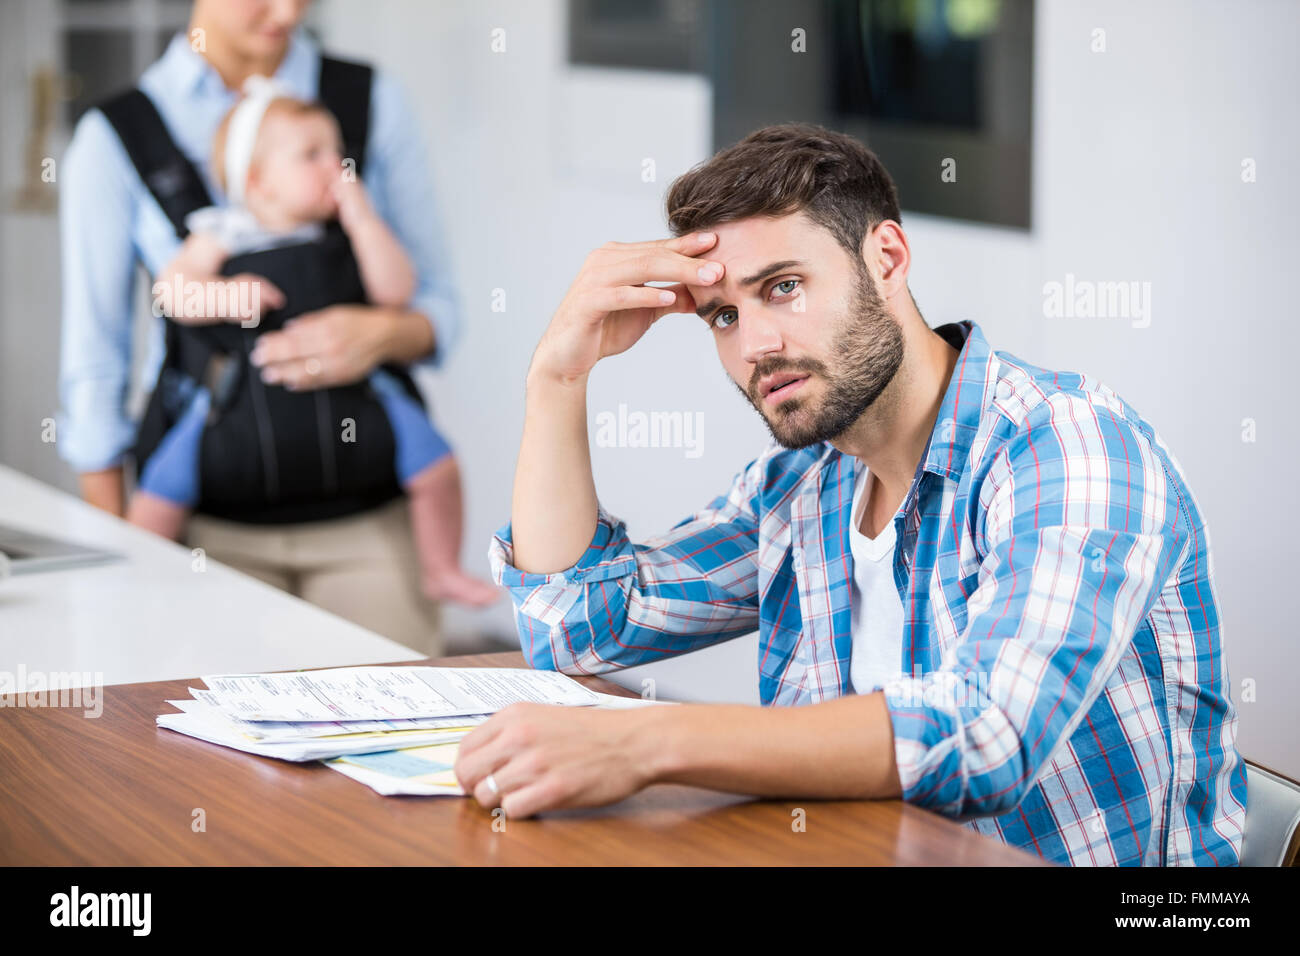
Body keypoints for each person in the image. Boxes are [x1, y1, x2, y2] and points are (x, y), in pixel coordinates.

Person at [458, 123, 1248, 867]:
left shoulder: (1067, 443)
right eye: (725, 314)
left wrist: (645, 743)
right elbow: (578, 628)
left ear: (888, 257)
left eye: (786, 286)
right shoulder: (805, 482)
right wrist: (557, 377)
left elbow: (988, 733)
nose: (756, 345)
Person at [58, 0, 468, 650]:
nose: (288, 10)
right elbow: (95, 367)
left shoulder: (368, 99)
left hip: (369, 522)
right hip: (210, 531)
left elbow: (438, 308)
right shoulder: (116, 136)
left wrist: (381, 335)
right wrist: (118, 574)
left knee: (390, 729)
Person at [127, 82, 498, 607]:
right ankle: (134, 580)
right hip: (233, 402)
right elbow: (173, 292)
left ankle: (439, 568)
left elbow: (397, 292)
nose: (337, 167)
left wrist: (364, 221)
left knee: (437, 466)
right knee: (161, 485)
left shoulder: (351, 233)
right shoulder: (225, 231)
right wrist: (225, 296)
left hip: (357, 396)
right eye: (311, 155)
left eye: (338, 152)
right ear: (257, 181)